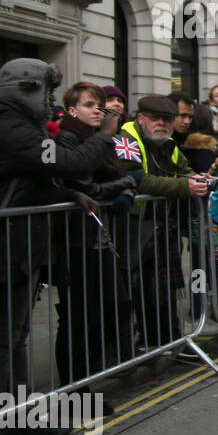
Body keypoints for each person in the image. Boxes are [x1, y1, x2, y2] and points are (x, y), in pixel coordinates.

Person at [0, 60, 117, 435]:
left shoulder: (20, 123)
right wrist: (103, 136)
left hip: (17, 249)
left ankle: (20, 420)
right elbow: (69, 163)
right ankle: (10, 427)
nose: (51, 100)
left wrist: (69, 196)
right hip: (7, 247)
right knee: (7, 341)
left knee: (16, 340)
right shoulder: (9, 124)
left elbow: (37, 182)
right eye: (46, 91)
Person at [53, 83, 135, 405]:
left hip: (99, 240)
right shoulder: (68, 138)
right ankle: (74, 391)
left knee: (114, 305)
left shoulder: (97, 141)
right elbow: (87, 186)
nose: (98, 110)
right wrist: (124, 185)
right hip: (76, 241)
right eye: (89, 105)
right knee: (77, 317)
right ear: (72, 110)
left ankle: (86, 377)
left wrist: (124, 186)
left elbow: (117, 179)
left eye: (100, 105)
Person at [116, 95, 208, 350]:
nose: (161, 123)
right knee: (132, 289)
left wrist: (196, 178)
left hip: (158, 225)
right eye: (155, 118)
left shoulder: (167, 144)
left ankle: (164, 340)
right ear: (141, 118)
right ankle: (133, 346)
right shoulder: (126, 139)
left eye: (167, 119)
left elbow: (184, 169)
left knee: (160, 289)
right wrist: (183, 186)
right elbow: (135, 179)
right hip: (131, 225)